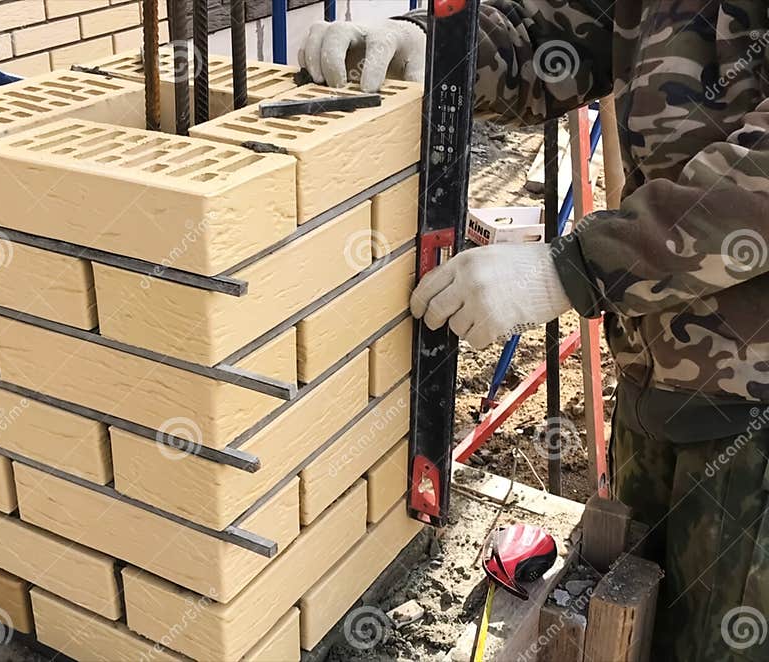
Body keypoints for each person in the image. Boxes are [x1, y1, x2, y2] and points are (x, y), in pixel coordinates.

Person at [302, 4, 769, 661]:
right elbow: (558, 34)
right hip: (659, 381)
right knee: (643, 630)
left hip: (754, 425)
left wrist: (573, 270)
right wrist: (438, 46)